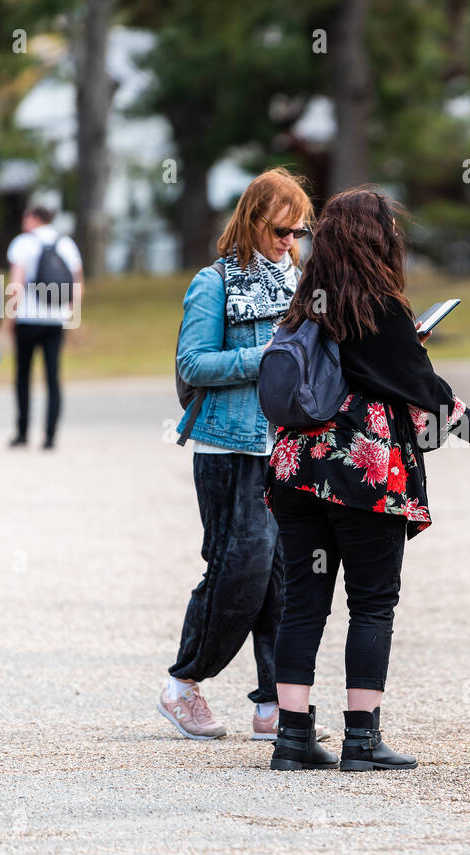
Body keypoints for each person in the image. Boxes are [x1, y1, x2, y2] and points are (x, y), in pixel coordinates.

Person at [264, 188, 470, 772]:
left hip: (296, 472)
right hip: (364, 476)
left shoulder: (308, 301)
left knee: (302, 603)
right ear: (380, 241)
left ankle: (292, 739)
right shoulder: (380, 305)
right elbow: (426, 391)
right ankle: (361, 740)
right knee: (373, 604)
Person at [159, 168, 329, 743]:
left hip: (289, 446)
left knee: (282, 579)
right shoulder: (214, 282)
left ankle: (273, 704)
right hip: (228, 446)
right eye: (282, 230)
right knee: (240, 569)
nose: (290, 242)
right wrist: (269, 355)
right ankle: (183, 684)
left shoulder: (303, 282)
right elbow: (192, 365)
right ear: (255, 220)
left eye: (299, 232)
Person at [5, 205, 82, 450]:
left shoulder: (22, 244)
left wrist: (9, 317)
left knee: (23, 377)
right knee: (52, 378)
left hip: (28, 318)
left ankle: (22, 432)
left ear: (33, 218)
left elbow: (16, 284)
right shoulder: (67, 244)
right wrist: (71, 314)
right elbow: (77, 284)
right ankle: (50, 436)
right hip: (55, 320)